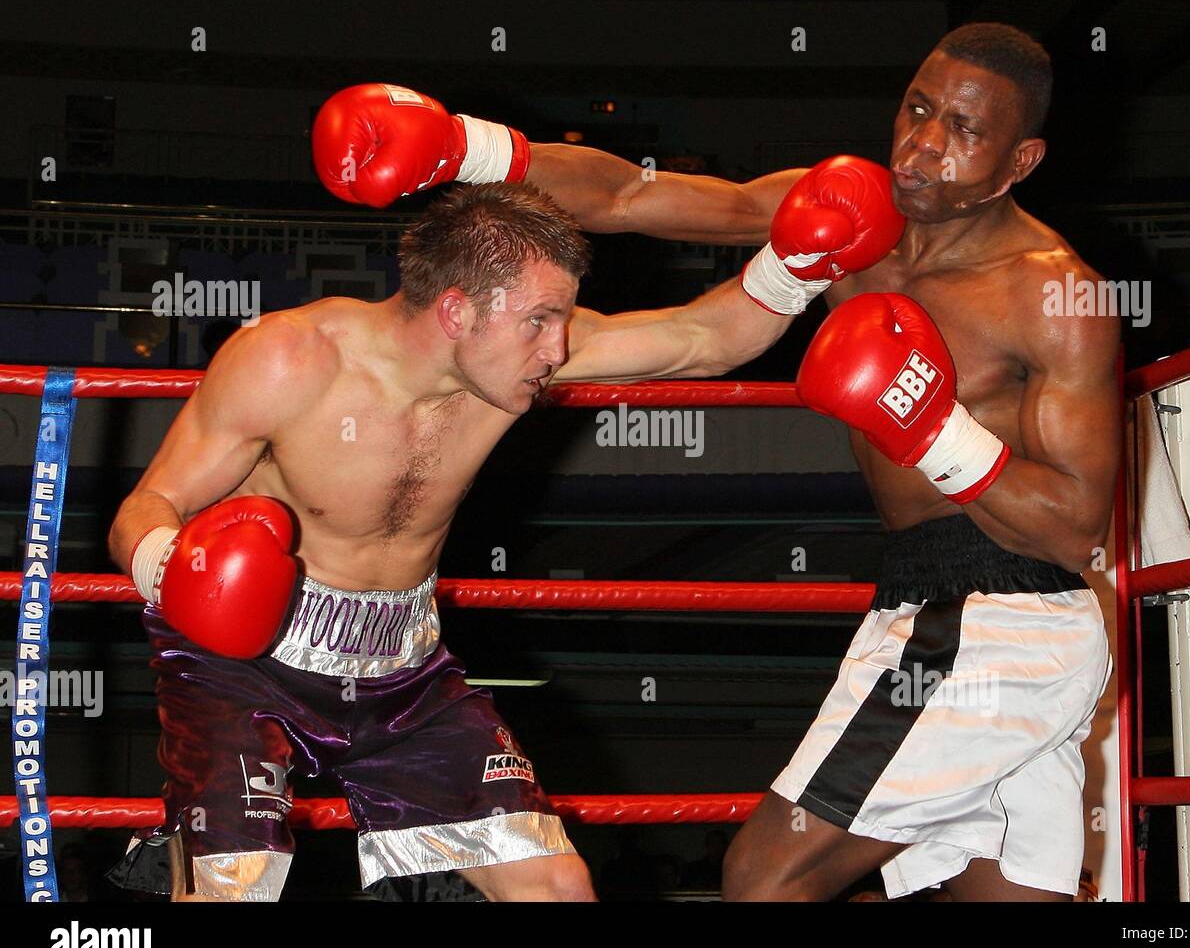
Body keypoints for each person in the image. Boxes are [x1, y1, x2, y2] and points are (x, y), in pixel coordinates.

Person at [317, 20, 1117, 901]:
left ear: (1020, 161)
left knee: (767, 876)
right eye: (918, 110)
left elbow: (1075, 528)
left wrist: (933, 428)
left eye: (964, 132)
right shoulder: (860, 215)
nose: (924, 146)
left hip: (1001, 616)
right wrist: (460, 148)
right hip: (925, 599)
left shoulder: (1051, 292)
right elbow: (629, 197)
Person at [106, 169, 900, 901]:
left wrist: (800, 260)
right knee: (230, 887)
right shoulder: (289, 361)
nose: (556, 350)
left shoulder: (514, 355)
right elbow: (146, 507)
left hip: (401, 669)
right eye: (539, 322)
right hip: (243, 665)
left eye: (560, 320)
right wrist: (178, 570)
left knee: (558, 888)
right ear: (456, 309)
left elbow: (707, 337)